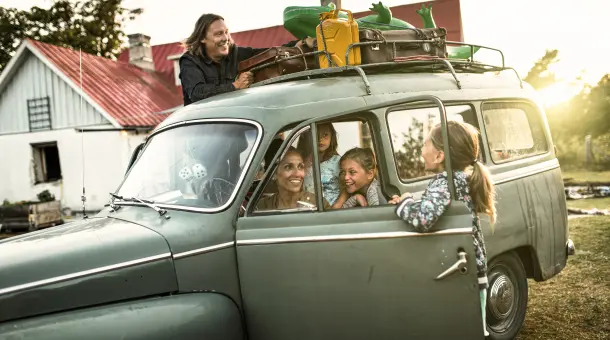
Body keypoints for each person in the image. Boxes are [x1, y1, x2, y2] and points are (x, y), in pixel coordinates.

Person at [389, 121, 497, 337]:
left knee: (467, 330)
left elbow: (424, 219)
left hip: (465, 275)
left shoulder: (446, 182)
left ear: (439, 156)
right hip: (474, 270)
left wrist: (404, 203)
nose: (421, 150)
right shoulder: (458, 179)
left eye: (425, 144)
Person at [179, 13, 315, 105]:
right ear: (202, 38)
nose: (225, 38)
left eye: (226, 32)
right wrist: (235, 86)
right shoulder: (190, 61)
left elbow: (269, 53)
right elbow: (197, 93)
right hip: (201, 130)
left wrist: (302, 43)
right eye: (219, 34)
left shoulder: (235, 53)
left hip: (232, 126)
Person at [256, 147, 330, 211]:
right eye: (288, 167)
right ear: (274, 174)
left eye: (300, 167)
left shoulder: (319, 204)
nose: (297, 174)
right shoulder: (261, 207)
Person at [297, 123, 342, 205]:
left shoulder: (338, 161)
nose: (320, 139)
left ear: (332, 137)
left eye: (325, 134)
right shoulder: (302, 162)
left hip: (333, 210)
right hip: (310, 209)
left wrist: (337, 206)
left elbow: (346, 188)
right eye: (316, 135)